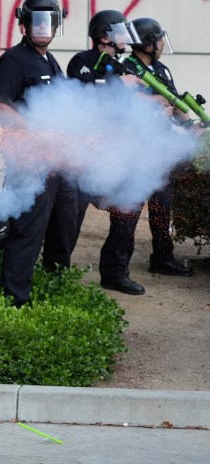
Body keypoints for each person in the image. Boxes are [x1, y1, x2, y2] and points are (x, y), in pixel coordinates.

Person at [0, 0, 78, 307]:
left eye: (48, 23)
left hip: (55, 159)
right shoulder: (14, 60)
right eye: (37, 23)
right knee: (28, 230)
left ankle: (55, 286)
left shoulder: (50, 60)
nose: (43, 28)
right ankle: (15, 299)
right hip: (28, 160)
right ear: (23, 25)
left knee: (62, 227)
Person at [67, 10, 147, 295]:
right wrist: (117, 84)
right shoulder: (82, 61)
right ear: (104, 35)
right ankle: (58, 274)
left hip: (116, 155)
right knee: (71, 216)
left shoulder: (124, 67)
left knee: (129, 207)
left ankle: (115, 272)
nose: (126, 37)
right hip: (85, 157)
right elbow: (82, 93)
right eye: (119, 31)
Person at [121, 17, 194, 278]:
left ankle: (163, 257)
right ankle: (118, 267)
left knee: (162, 206)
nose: (162, 43)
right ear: (146, 43)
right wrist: (155, 100)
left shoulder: (162, 70)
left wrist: (191, 126)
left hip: (160, 151)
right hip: (135, 150)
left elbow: (176, 105)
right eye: (158, 39)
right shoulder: (126, 68)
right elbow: (119, 103)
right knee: (128, 209)